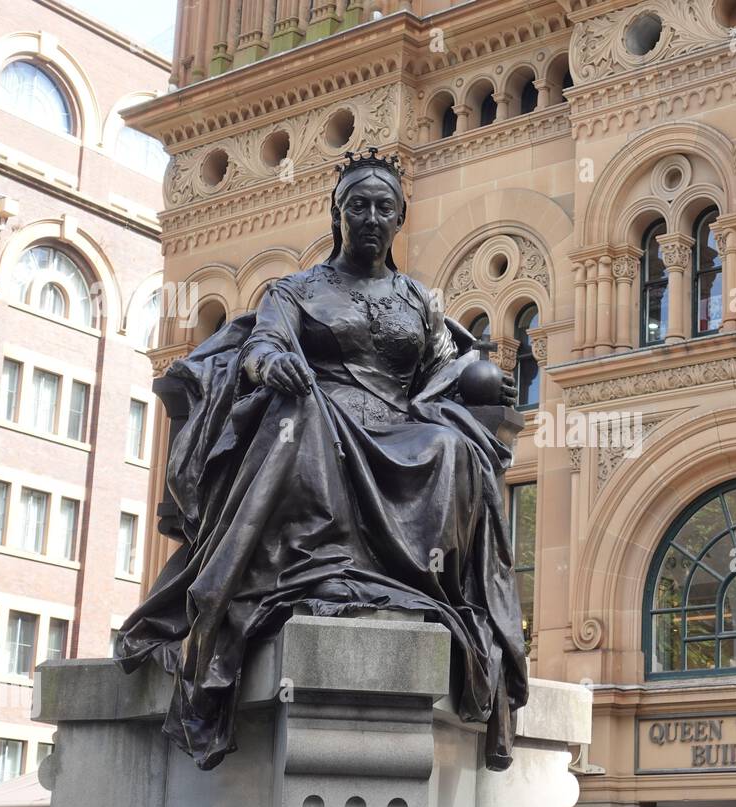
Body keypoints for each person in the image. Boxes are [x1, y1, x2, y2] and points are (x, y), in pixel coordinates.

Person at [116, 148, 528, 771]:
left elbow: (446, 366)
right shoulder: (296, 290)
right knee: (297, 421)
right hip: (319, 405)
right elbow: (263, 345)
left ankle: (414, 583)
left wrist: (481, 380)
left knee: (453, 447)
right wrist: (272, 362)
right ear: (338, 215)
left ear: (398, 220)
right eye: (357, 205)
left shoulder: (419, 298)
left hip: (403, 422)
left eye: (383, 208)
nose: (370, 216)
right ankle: (316, 567)